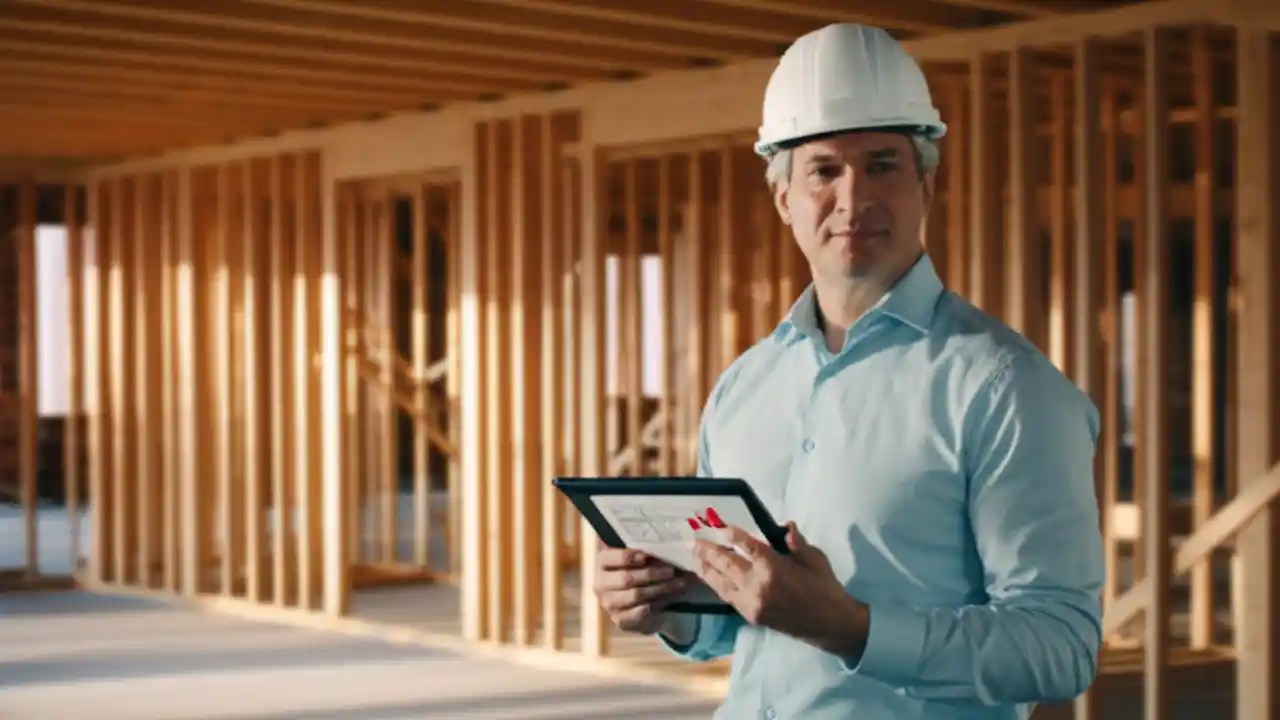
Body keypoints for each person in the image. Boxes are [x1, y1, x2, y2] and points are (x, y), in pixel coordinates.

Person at [592, 22, 1105, 720]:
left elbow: (1059, 648)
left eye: (883, 164)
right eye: (825, 170)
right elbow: (736, 622)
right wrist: (665, 607)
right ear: (785, 200)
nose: (854, 198)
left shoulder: (1005, 388)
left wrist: (851, 628)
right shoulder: (745, 387)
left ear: (926, 184)